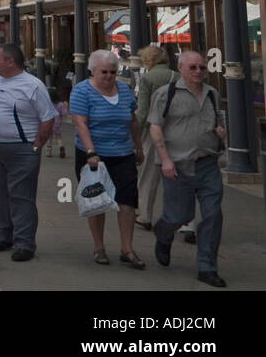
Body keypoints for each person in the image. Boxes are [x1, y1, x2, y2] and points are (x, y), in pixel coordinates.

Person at [148, 50, 227, 287]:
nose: (198, 72)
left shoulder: (212, 93)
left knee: (213, 215)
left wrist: (220, 132)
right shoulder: (167, 93)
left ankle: (207, 267)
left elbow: (218, 122)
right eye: (192, 67)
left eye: (202, 67)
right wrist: (165, 159)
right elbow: (155, 127)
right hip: (178, 165)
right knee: (179, 216)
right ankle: (163, 233)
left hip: (207, 163)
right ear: (180, 68)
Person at [0, 44, 57, 261]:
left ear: (10, 61)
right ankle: (3, 235)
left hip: (21, 149)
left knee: (21, 196)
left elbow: (48, 117)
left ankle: (24, 243)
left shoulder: (33, 85)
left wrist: (36, 145)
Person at [70, 49, 144, 268]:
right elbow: (80, 123)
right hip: (94, 155)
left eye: (113, 71)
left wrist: (139, 147)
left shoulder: (124, 90)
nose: (109, 76)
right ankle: (99, 247)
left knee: (128, 201)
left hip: (123, 153)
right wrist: (91, 152)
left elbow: (133, 120)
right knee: (97, 201)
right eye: (104, 72)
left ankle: (127, 249)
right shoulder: (82, 91)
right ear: (93, 71)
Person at [134, 44, 178, 230]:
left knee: (148, 174)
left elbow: (143, 111)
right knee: (178, 173)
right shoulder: (177, 76)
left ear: (148, 60)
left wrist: (136, 133)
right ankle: (183, 220)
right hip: (175, 128)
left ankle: (145, 214)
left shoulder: (147, 78)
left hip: (153, 129)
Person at [48, 86, 67, 158]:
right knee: (58, 137)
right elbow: (64, 113)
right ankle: (61, 146)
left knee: (49, 137)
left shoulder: (48, 104)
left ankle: (49, 151)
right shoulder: (60, 104)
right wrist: (66, 106)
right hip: (57, 123)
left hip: (49, 122)